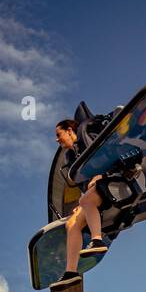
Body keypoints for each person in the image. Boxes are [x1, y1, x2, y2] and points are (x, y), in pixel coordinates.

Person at [54, 119, 110, 281]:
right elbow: (83, 183)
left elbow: (108, 155)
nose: (57, 139)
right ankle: (71, 272)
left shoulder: (89, 137)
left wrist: (99, 175)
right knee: (72, 224)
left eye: (59, 134)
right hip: (94, 191)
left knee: (86, 201)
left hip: (110, 178)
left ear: (69, 131)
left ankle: (97, 241)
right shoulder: (71, 157)